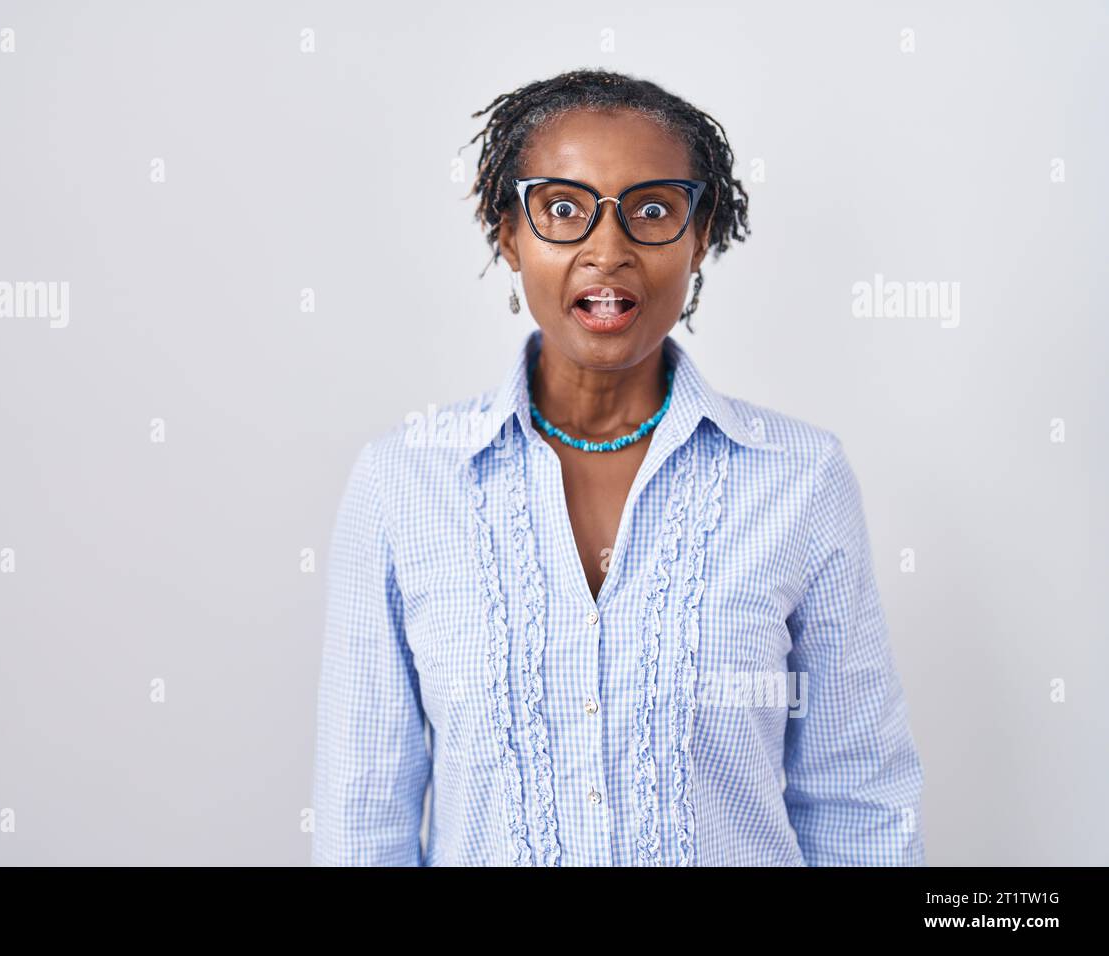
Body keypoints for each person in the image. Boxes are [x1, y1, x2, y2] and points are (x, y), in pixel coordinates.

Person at [311, 68, 925, 866]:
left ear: (701, 236)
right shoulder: (404, 482)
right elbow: (363, 820)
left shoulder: (800, 479)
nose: (609, 250)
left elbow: (858, 801)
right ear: (508, 233)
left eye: (653, 211)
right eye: (562, 210)